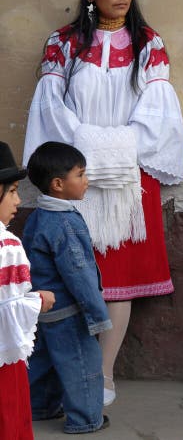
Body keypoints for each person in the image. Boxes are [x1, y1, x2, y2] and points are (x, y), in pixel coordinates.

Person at [22, 0, 183, 407]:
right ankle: (69, 372)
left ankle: (105, 373)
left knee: (118, 276)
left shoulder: (148, 43)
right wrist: (85, 147)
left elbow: (156, 109)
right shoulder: (63, 43)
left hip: (126, 179)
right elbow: (51, 106)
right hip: (73, 174)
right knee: (71, 273)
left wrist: (117, 148)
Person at [23, 142, 111, 433]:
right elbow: (79, 274)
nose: (87, 181)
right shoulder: (64, 223)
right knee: (82, 364)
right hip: (68, 310)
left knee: (46, 359)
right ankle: (85, 419)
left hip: (44, 307)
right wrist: (97, 314)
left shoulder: (37, 216)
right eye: (81, 174)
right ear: (58, 184)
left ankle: (39, 406)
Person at [0, 142, 54, 440]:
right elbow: (10, 310)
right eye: (11, 191)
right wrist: (38, 301)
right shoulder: (7, 246)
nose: (18, 201)